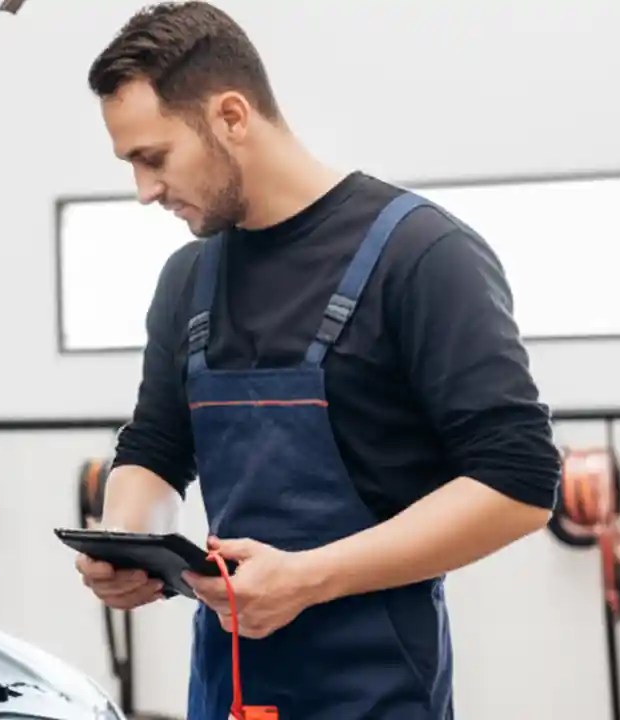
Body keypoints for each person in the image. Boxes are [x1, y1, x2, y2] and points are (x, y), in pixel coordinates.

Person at [73, 3, 562, 718]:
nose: (144, 191)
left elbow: (518, 482)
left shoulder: (422, 257)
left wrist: (310, 578)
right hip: (227, 688)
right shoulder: (187, 279)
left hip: (374, 693)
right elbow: (155, 445)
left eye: (154, 157)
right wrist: (127, 542)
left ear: (232, 116)